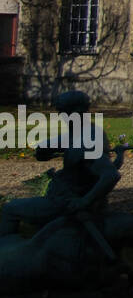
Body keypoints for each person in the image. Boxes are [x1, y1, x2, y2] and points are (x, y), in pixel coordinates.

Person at [0, 91, 124, 237]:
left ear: (75, 112)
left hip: (65, 202)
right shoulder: (86, 131)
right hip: (66, 196)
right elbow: (62, 143)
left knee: (10, 210)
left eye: (62, 112)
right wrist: (45, 148)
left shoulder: (86, 139)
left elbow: (110, 175)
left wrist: (84, 202)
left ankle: (7, 253)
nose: (61, 116)